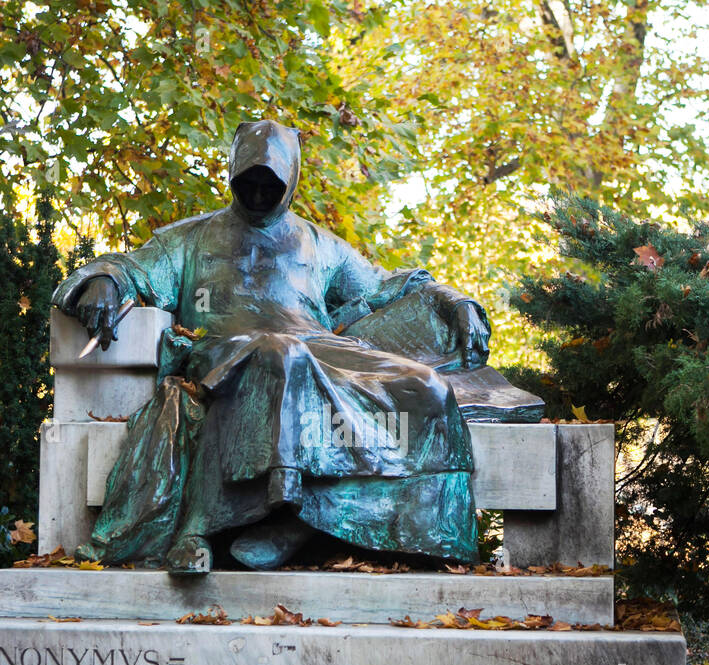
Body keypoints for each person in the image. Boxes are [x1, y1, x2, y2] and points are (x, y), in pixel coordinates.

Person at [52, 119, 495, 574]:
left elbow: (387, 285)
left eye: (273, 184)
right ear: (232, 176)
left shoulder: (322, 245)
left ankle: (307, 524)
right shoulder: (188, 239)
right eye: (250, 182)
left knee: (425, 385)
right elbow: (131, 268)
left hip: (317, 347)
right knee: (280, 356)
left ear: (291, 182)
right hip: (226, 351)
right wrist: (102, 281)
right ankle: (228, 522)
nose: (261, 193)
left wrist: (451, 300)